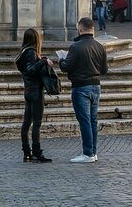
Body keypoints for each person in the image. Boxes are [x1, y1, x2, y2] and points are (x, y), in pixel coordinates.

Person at [58, 17, 108, 163]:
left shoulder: (76, 47)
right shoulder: (100, 46)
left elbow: (66, 67)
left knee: (85, 121)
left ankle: (88, 153)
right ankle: (93, 151)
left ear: (80, 29)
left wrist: (61, 60)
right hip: (96, 86)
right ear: (92, 29)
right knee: (93, 120)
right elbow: (104, 70)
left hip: (81, 87)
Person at [15, 28, 53, 164]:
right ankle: (36, 153)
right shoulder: (31, 52)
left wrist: (40, 60)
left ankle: (27, 153)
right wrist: (43, 62)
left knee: (26, 123)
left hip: (28, 91)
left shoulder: (23, 52)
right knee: (36, 123)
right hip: (35, 92)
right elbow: (31, 70)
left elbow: (27, 68)